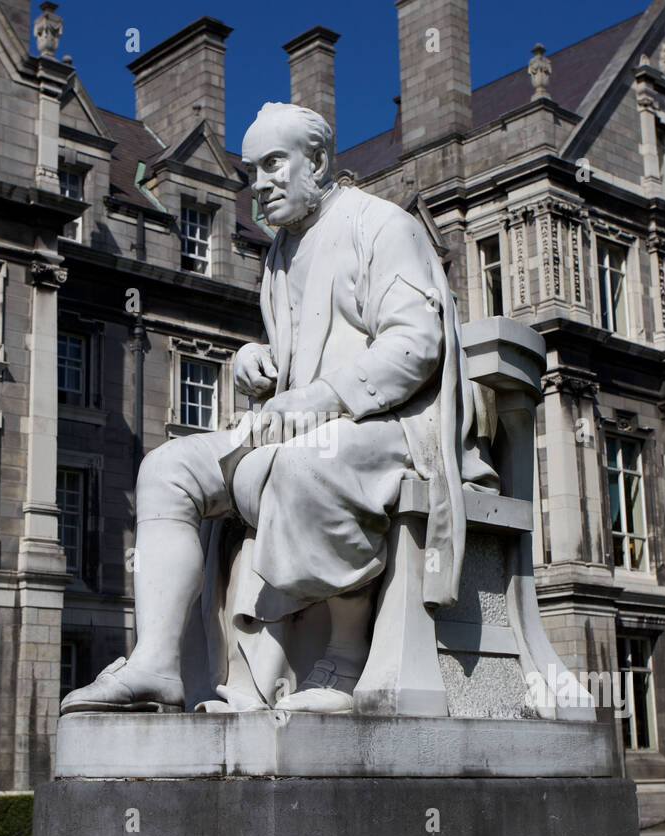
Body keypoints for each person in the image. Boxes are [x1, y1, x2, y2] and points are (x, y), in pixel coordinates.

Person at [60, 102, 496, 716]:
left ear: (316, 162)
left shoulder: (383, 226)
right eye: (250, 171)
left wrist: (322, 397)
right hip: (299, 421)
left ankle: (345, 659)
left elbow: (414, 344)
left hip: (393, 422)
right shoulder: (279, 255)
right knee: (167, 470)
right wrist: (254, 360)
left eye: (272, 165)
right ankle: (156, 664)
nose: (258, 184)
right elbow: (308, 351)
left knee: (301, 466)